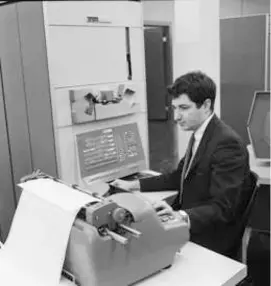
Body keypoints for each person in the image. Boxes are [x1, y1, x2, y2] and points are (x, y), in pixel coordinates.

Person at [111, 71, 251, 257]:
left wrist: (181, 216)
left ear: (206, 105)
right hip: (193, 223)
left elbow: (223, 208)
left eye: (184, 108)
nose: (176, 116)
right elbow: (179, 177)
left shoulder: (227, 144)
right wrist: (134, 184)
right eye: (175, 108)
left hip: (210, 239)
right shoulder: (201, 134)